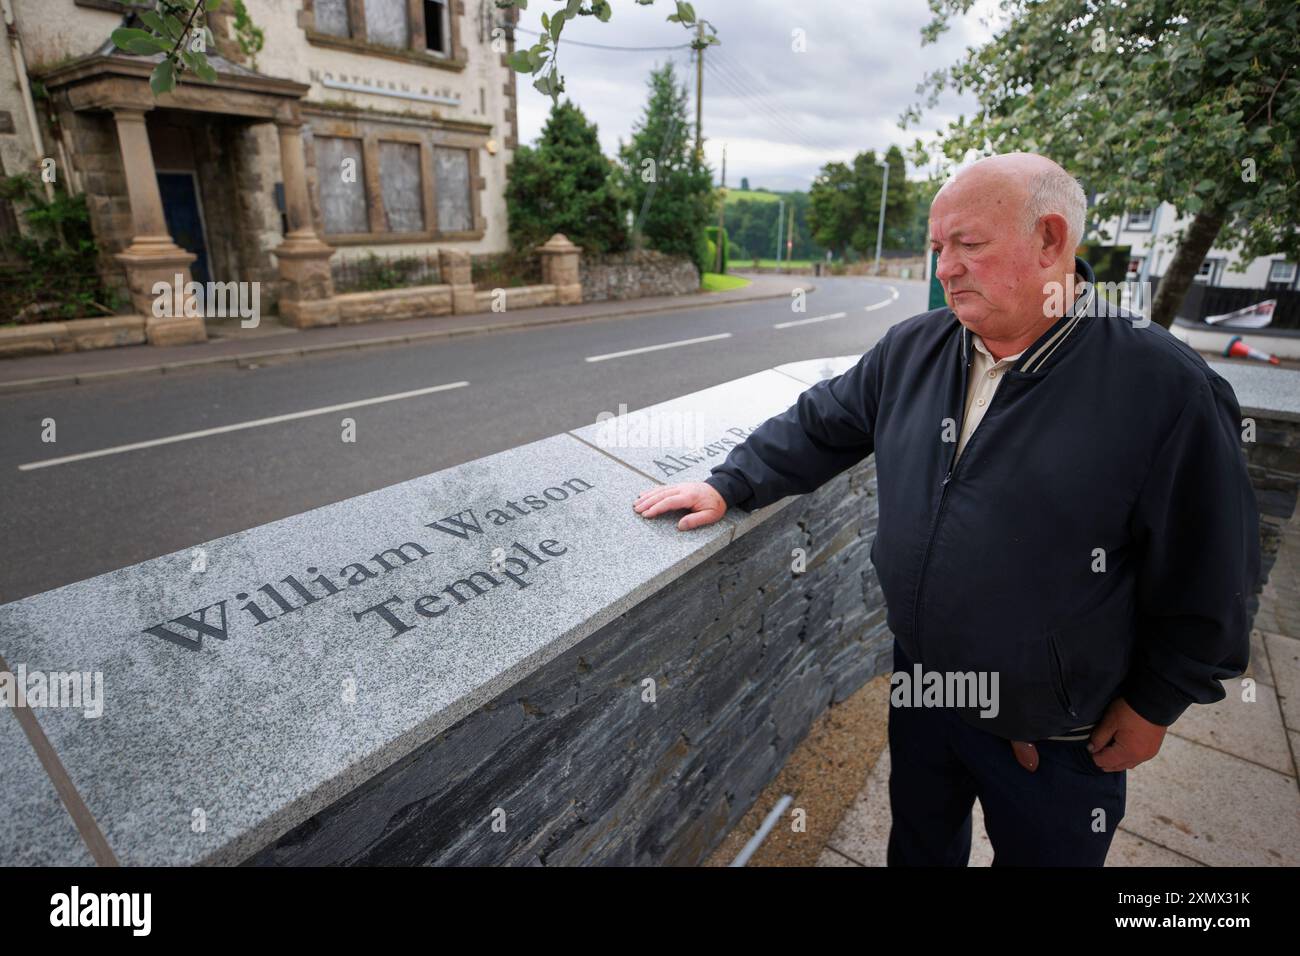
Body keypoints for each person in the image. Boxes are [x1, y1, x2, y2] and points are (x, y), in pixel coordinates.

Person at [631, 152, 1261, 866]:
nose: (945, 269)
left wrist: (1155, 705)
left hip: (1053, 731)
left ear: (1051, 240)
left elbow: (1215, 573)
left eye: (968, 245)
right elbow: (821, 422)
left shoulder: (1162, 387)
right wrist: (730, 482)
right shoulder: (916, 347)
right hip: (926, 686)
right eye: (938, 248)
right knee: (921, 847)